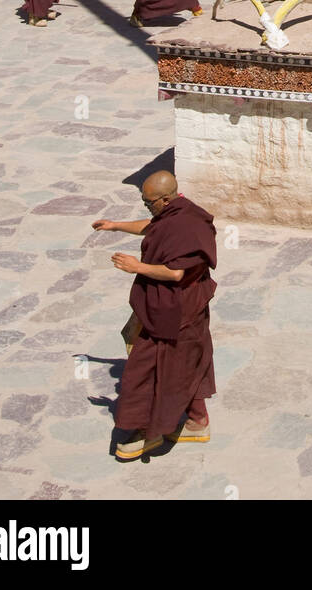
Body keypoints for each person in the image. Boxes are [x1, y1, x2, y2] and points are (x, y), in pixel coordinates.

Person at [92, 171, 217, 460]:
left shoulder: (188, 226)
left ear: (165, 198)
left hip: (177, 311)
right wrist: (116, 226)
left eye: (149, 202)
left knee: (148, 368)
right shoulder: (178, 211)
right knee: (189, 361)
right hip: (175, 306)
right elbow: (153, 226)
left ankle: (147, 430)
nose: (147, 206)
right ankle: (197, 422)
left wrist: (137, 267)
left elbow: (176, 272)